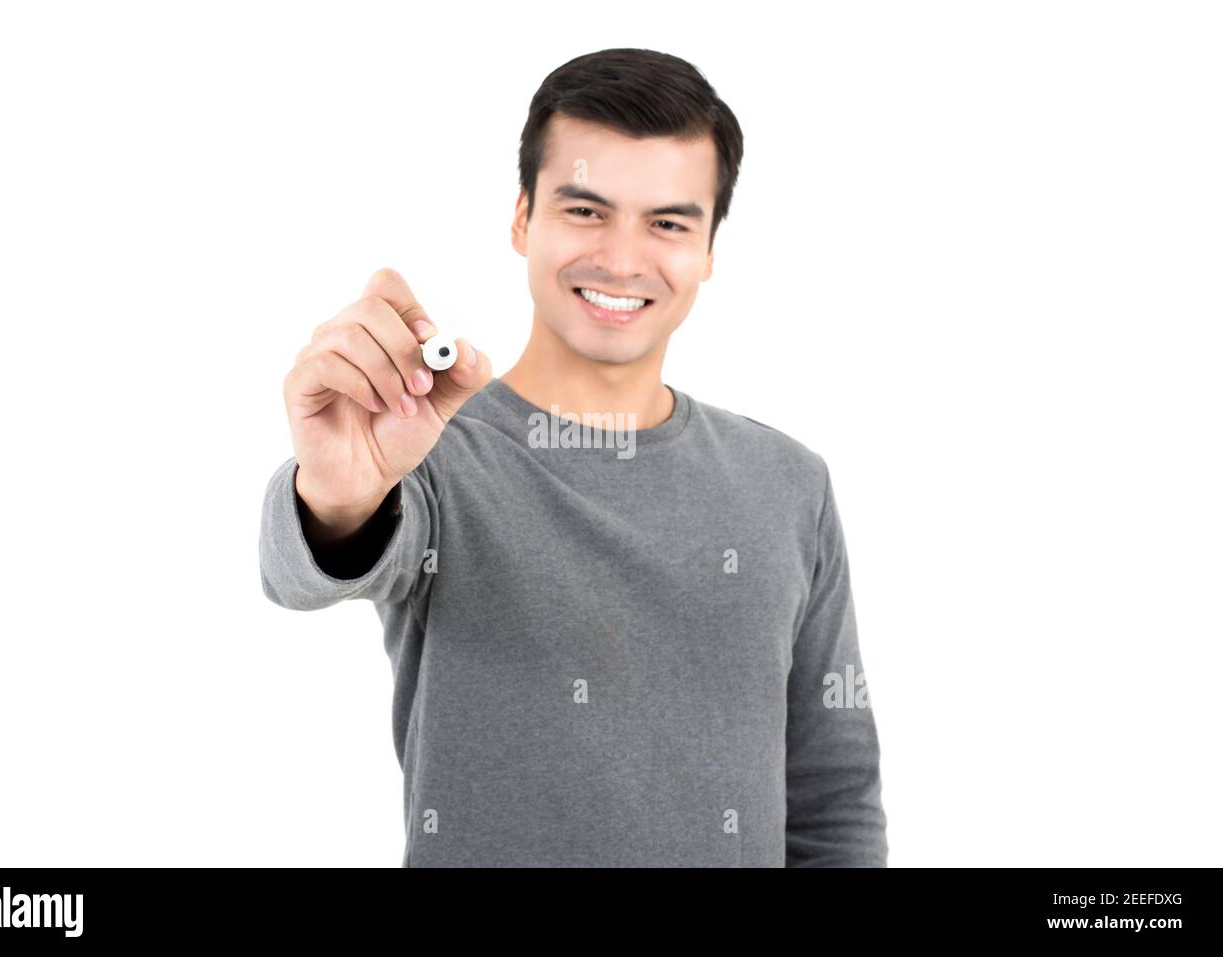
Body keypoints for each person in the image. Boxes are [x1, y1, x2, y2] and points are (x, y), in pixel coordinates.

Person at [259, 47, 888, 867]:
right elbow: (305, 562)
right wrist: (335, 495)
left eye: (668, 222)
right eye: (585, 210)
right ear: (523, 219)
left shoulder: (790, 484)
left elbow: (833, 801)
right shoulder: (433, 454)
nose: (622, 260)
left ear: (708, 251)